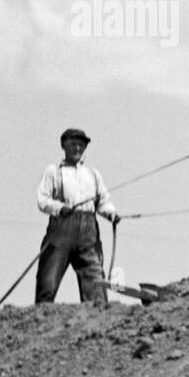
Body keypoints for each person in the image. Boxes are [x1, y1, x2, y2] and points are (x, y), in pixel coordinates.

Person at [35, 128, 120, 305]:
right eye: (73, 144)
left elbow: (103, 201)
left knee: (95, 280)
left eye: (81, 145)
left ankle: (96, 318)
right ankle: (41, 315)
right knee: (48, 280)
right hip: (61, 230)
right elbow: (42, 200)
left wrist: (111, 214)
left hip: (89, 232)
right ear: (63, 145)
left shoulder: (93, 174)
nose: (77, 148)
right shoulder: (53, 171)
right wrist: (60, 208)